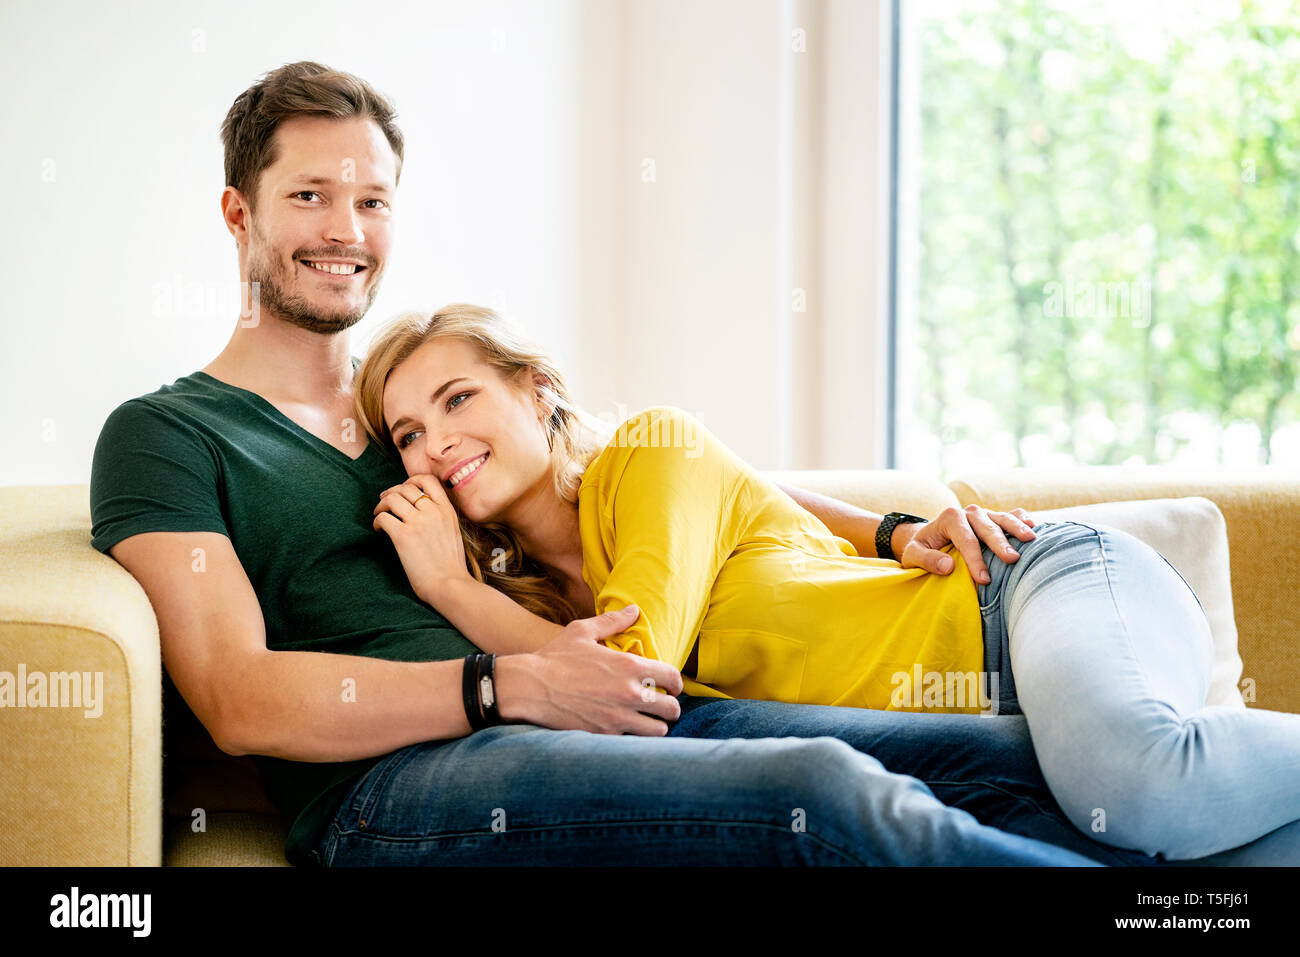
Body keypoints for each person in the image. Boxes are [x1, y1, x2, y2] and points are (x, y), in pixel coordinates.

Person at [87, 61, 1287, 869]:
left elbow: (658, 454)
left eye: (371, 198)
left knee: (1001, 758)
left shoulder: (417, 417)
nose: (345, 230)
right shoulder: (170, 434)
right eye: (308, 195)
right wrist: (501, 687)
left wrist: (884, 530)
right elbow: (237, 696)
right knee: (819, 782)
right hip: (398, 784)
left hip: (583, 718)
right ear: (239, 216)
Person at [358, 303, 1300, 863]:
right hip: (987, 730)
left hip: (1022, 597)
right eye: (406, 434)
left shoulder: (647, 451)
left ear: (536, 389)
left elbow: (633, 678)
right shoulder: (546, 623)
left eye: (458, 398)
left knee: (1133, 779)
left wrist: (448, 584)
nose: (435, 443)